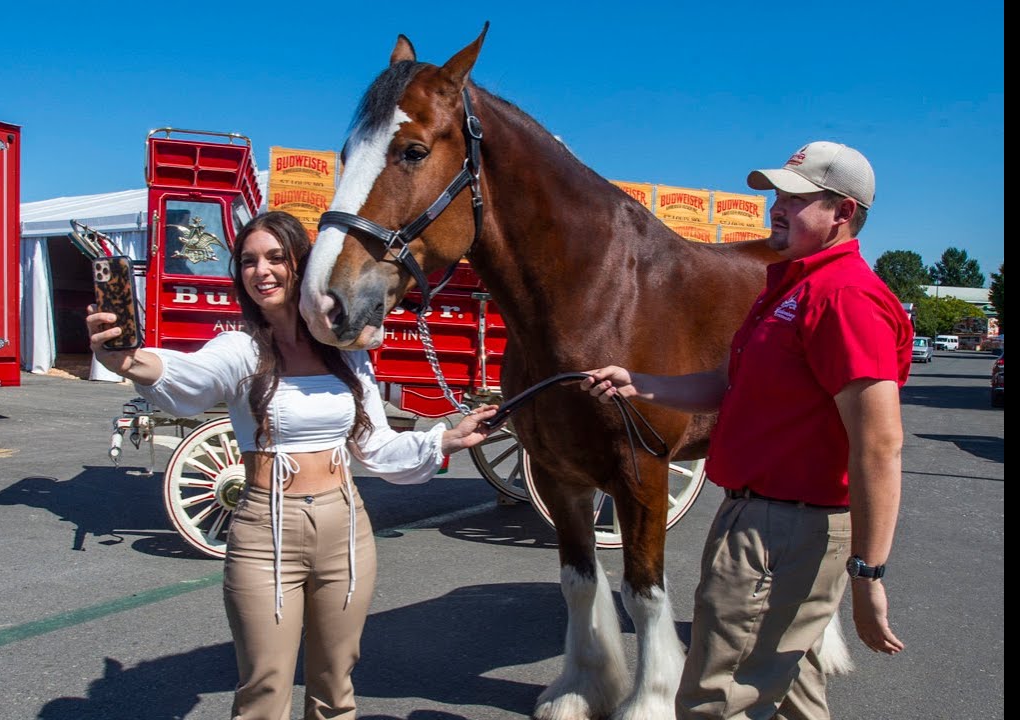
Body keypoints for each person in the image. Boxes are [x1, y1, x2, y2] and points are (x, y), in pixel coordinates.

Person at [85, 210, 498, 720]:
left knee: (335, 688)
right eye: (249, 261)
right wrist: (126, 359)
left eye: (277, 258)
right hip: (266, 530)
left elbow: (376, 448)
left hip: (345, 527)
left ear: (302, 265)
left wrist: (446, 440)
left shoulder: (345, 351)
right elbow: (186, 374)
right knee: (264, 689)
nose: (263, 271)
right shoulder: (240, 349)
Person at [581, 141, 910, 718]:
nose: (776, 207)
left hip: (784, 527)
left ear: (844, 213)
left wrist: (869, 574)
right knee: (792, 696)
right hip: (760, 517)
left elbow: (879, 444)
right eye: (777, 194)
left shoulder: (845, 298)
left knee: (717, 695)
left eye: (798, 198)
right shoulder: (791, 289)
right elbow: (730, 384)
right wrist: (643, 383)